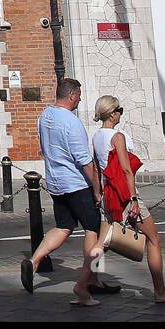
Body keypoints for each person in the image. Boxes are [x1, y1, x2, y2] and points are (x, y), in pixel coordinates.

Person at [92, 95, 165, 304]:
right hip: (124, 195)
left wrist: (97, 193)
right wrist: (134, 199)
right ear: (113, 113)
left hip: (108, 196)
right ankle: (160, 291)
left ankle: (87, 281)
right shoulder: (117, 137)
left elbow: (97, 168)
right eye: (120, 110)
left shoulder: (96, 137)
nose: (120, 114)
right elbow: (126, 170)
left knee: (101, 243)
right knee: (154, 239)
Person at [21, 78, 103, 305]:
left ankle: (34, 260)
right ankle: (87, 283)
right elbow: (85, 161)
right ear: (72, 96)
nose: (81, 99)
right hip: (76, 184)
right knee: (93, 230)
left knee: (64, 226)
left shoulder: (45, 116)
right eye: (79, 95)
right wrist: (97, 189)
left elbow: (44, 147)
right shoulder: (71, 122)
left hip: (56, 182)